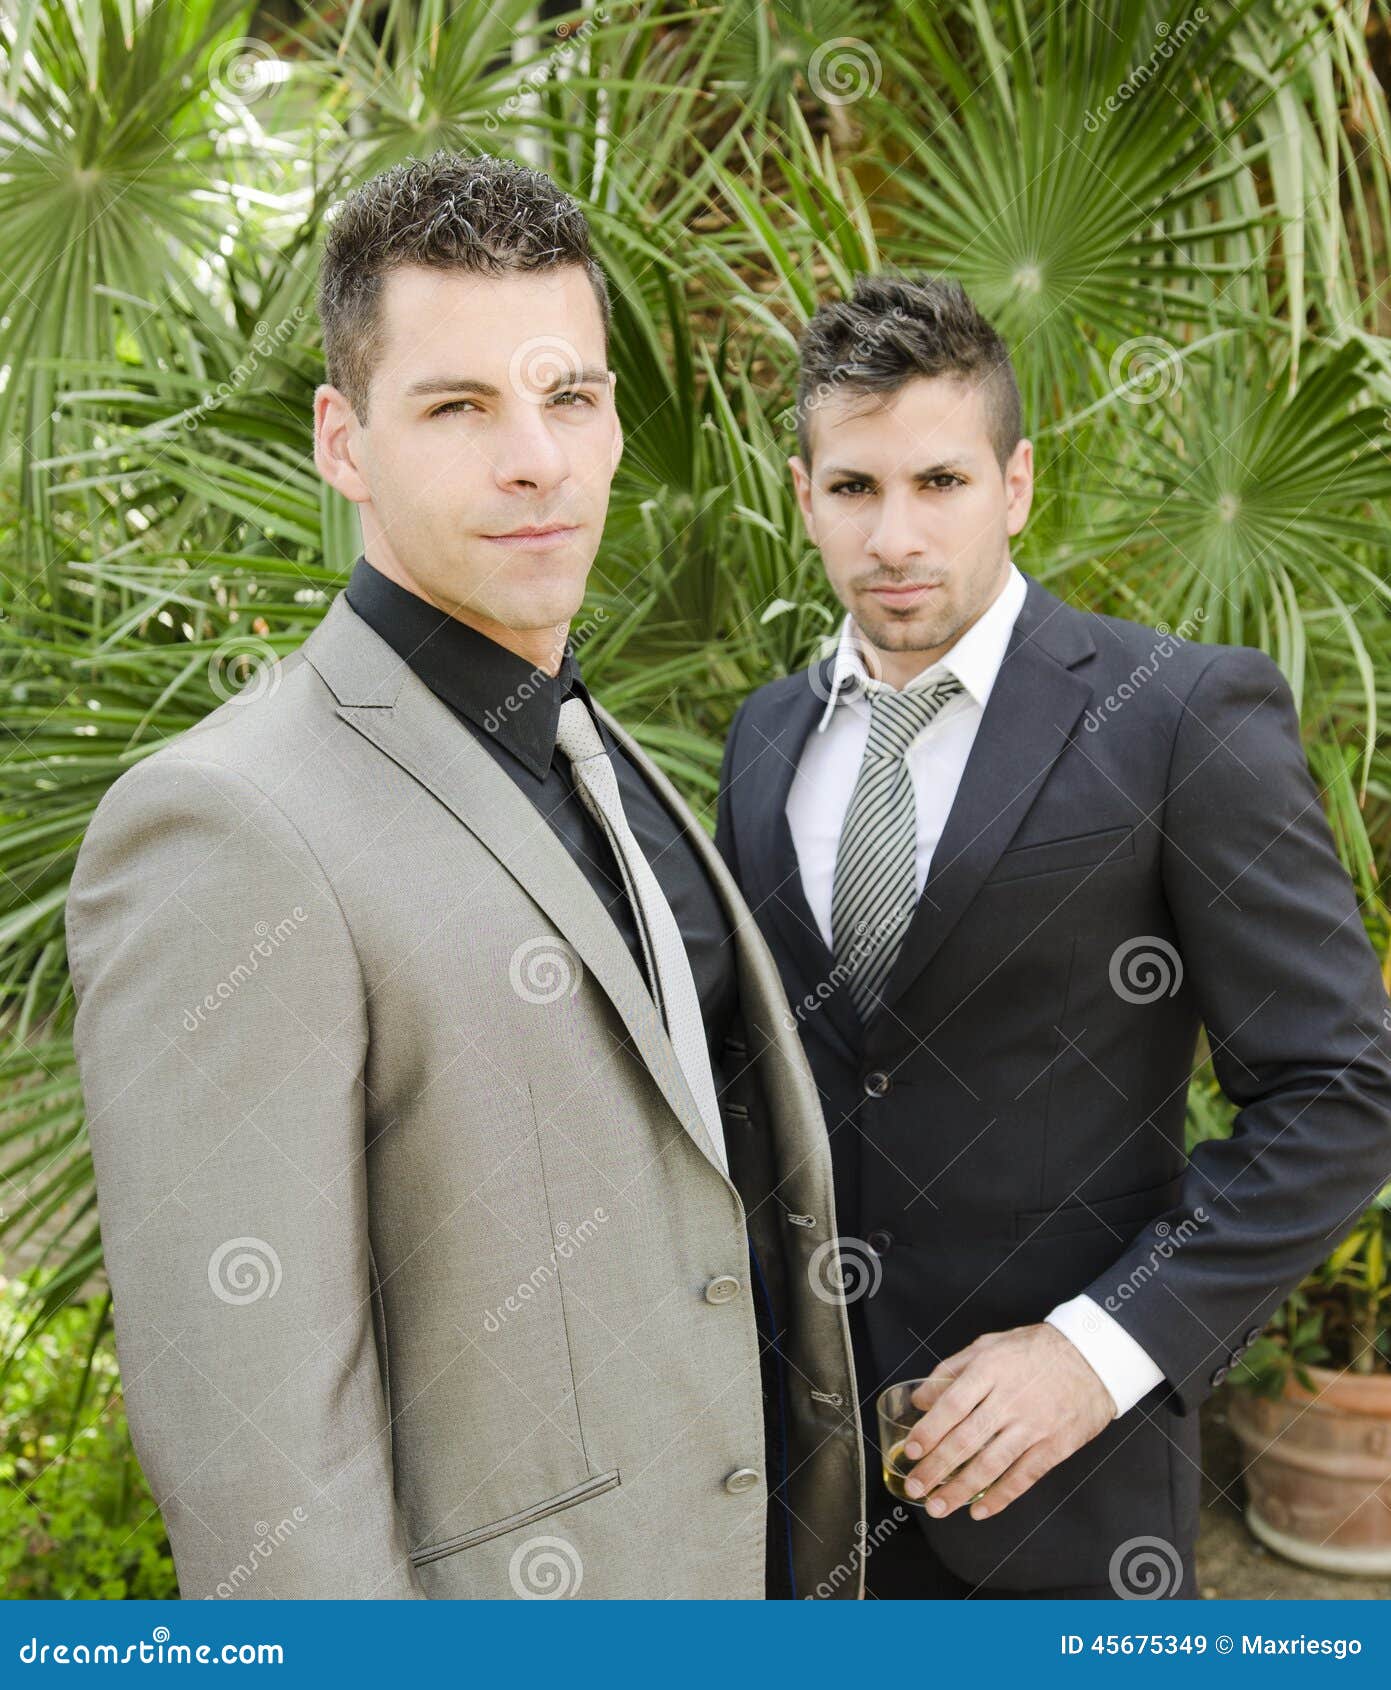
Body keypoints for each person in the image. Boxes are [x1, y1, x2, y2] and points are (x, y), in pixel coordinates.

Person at [65, 151, 863, 1601]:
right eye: (458, 405)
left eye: (570, 396)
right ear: (342, 440)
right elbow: (262, 1472)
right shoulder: (222, 824)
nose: (538, 459)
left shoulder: (608, 759)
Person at [715, 271, 1391, 1599]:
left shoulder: (1177, 716)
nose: (895, 534)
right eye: (855, 488)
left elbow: (1343, 1089)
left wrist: (1097, 1350)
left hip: (1065, 1510)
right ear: (805, 496)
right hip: (799, 1508)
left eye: (941, 482)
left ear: (1015, 484)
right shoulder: (763, 740)